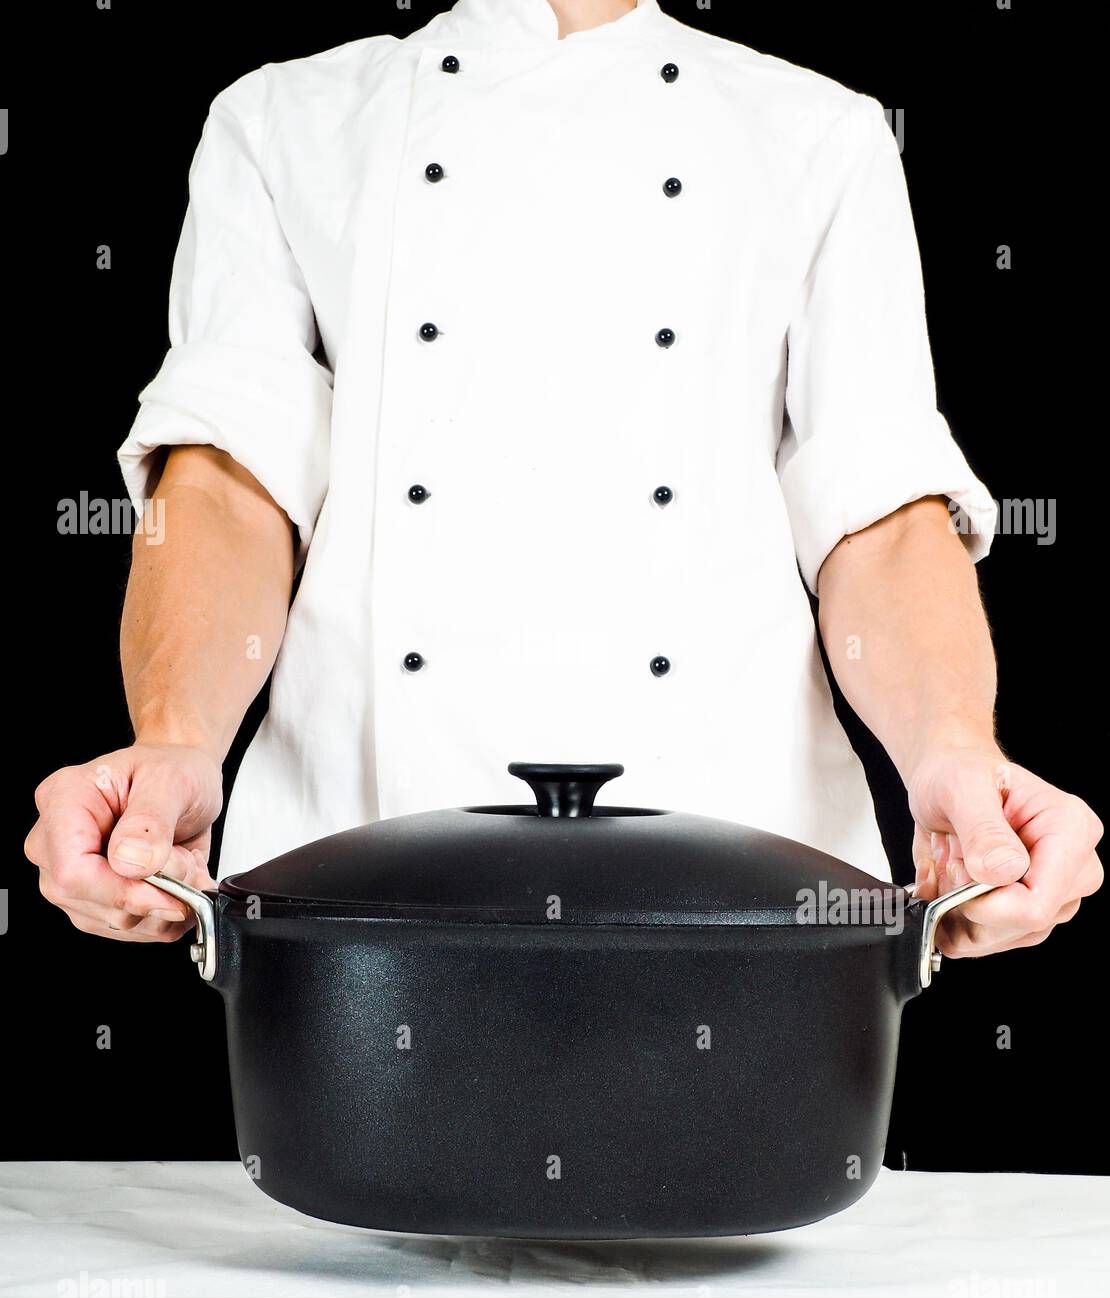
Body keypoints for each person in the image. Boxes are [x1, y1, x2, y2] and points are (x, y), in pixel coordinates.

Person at [26, 0, 1102, 954]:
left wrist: (954, 755)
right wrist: (175, 740)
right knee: (368, 1179)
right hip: (356, 904)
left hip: (743, 909)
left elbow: (876, 506)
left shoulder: (819, 133)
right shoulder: (282, 121)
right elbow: (225, 478)